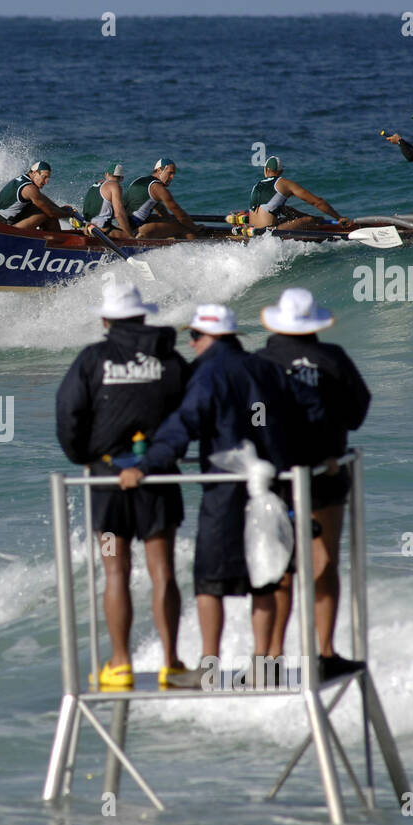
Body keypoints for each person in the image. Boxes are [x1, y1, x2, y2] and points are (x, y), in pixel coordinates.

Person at [118, 304, 324, 687]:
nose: (192, 344)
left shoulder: (208, 373)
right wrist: (307, 457)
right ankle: (265, 666)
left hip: (227, 489)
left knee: (210, 580)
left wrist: (144, 466)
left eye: (194, 337)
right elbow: (313, 409)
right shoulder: (266, 368)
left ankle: (209, 670)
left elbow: (183, 426)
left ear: (209, 338)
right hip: (274, 484)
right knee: (265, 574)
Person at [56, 282, 193, 689]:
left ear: (106, 320)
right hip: (157, 476)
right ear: (143, 317)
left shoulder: (93, 359)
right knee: (162, 570)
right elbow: (188, 413)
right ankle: (172, 662)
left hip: (107, 482)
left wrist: (83, 458)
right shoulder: (169, 359)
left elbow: (69, 414)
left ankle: (120, 663)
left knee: (115, 570)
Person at [257, 288, 369, 680]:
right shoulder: (333, 358)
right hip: (326, 469)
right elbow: (357, 412)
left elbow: (250, 418)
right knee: (324, 560)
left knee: (279, 566)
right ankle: (323, 652)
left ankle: (271, 657)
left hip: (275, 474)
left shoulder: (263, 361)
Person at [243, 156, 351, 230]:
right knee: (312, 220)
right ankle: (316, 225)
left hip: (254, 231)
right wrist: (338, 217)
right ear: (281, 172)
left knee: (286, 209)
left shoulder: (256, 186)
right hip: (269, 233)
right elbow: (317, 202)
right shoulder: (284, 183)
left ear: (265, 170)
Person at [122, 158, 200, 240]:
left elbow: (160, 209)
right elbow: (179, 213)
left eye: (173, 174)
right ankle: (198, 250)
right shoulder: (158, 188)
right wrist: (194, 227)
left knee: (170, 223)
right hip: (136, 227)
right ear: (159, 170)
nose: (172, 177)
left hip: (123, 225)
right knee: (182, 228)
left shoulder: (139, 180)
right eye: (170, 173)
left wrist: (169, 221)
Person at [0, 161, 75, 230]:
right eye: (44, 177)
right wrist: (69, 214)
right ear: (34, 173)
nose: (46, 182)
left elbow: (42, 198)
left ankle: (54, 239)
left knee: (43, 209)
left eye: (48, 178)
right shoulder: (30, 188)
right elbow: (51, 213)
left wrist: (59, 209)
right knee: (46, 214)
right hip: (2, 225)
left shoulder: (25, 179)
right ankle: (55, 243)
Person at [82, 163, 136, 239]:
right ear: (121, 178)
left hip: (86, 227)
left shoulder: (96, 184)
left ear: (106, 174)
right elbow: (119, 214)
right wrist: (130, 235)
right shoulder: (115, 186)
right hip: (101, 230)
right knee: (134, 235)